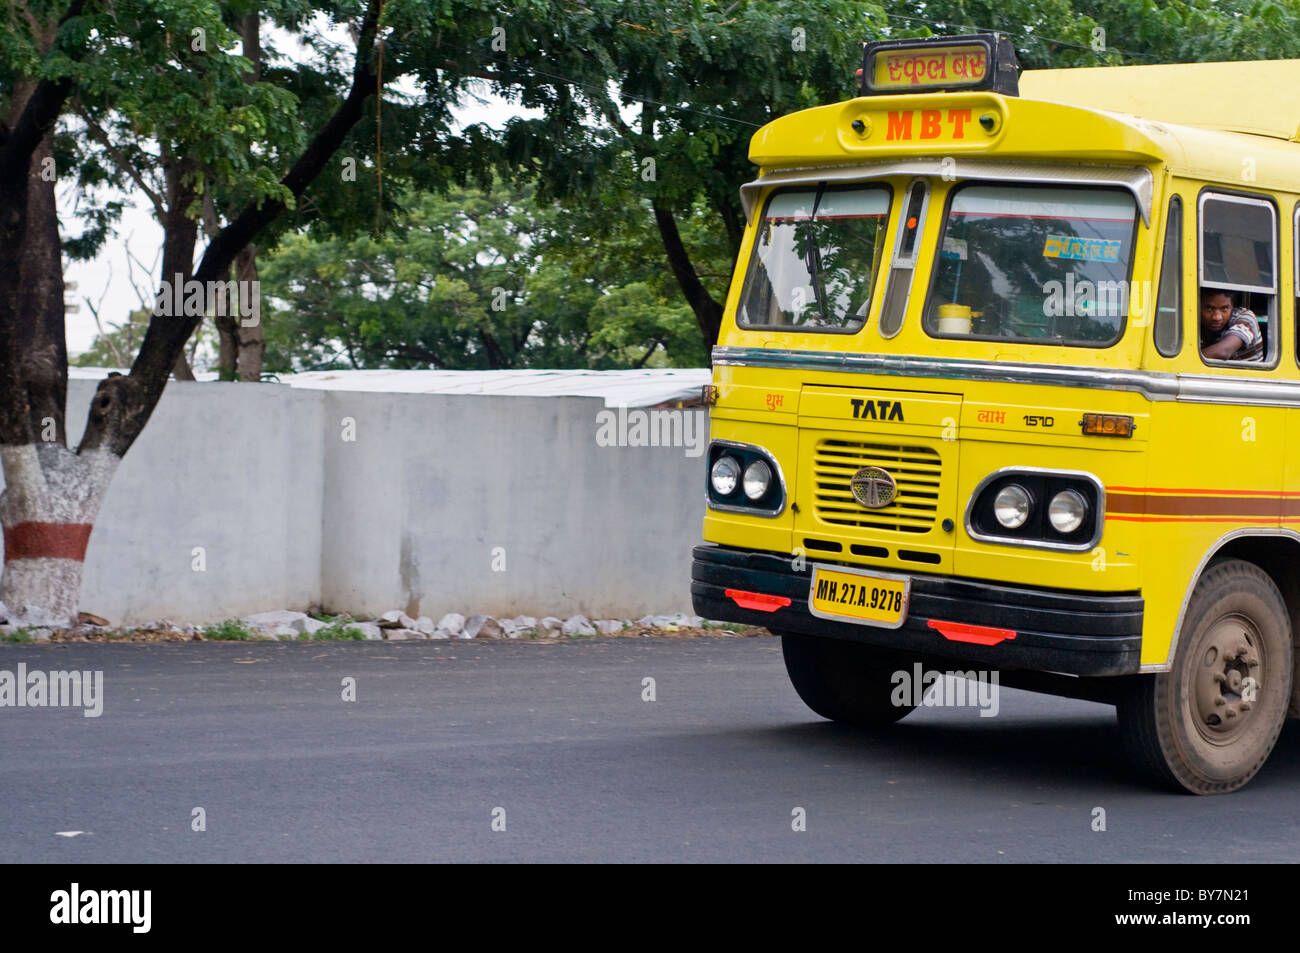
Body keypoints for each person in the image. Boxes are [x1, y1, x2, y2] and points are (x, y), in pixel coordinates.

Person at [1200, 289, 1264, 362]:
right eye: (1209, 308)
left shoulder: (1245, 318)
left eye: (1224, 308)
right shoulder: (1194, 321)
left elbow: (1223, 351)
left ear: (1232, 307)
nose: (1217, 317)